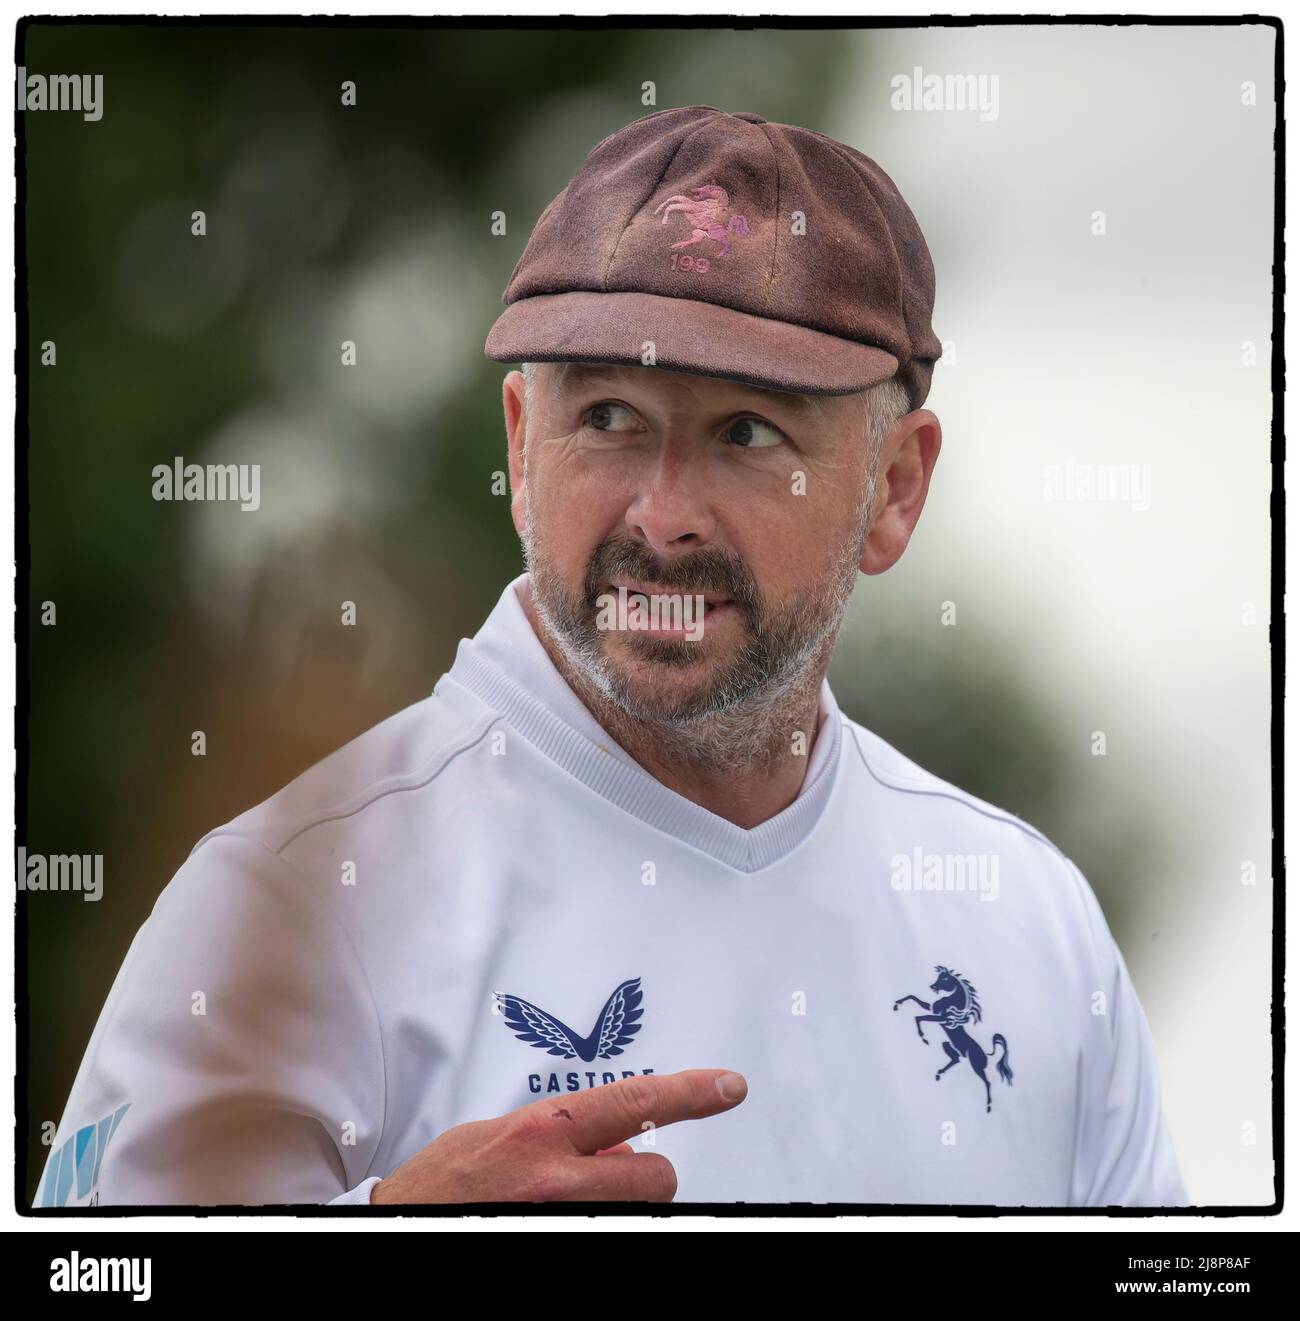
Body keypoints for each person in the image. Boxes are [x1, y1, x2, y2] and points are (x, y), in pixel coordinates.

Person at [35, 105, 1188, 1208]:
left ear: (894, 488)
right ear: (522, 442)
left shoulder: (1026, 922)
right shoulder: (292, 900)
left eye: (747, 432)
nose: (662, 513)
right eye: (608, 418)